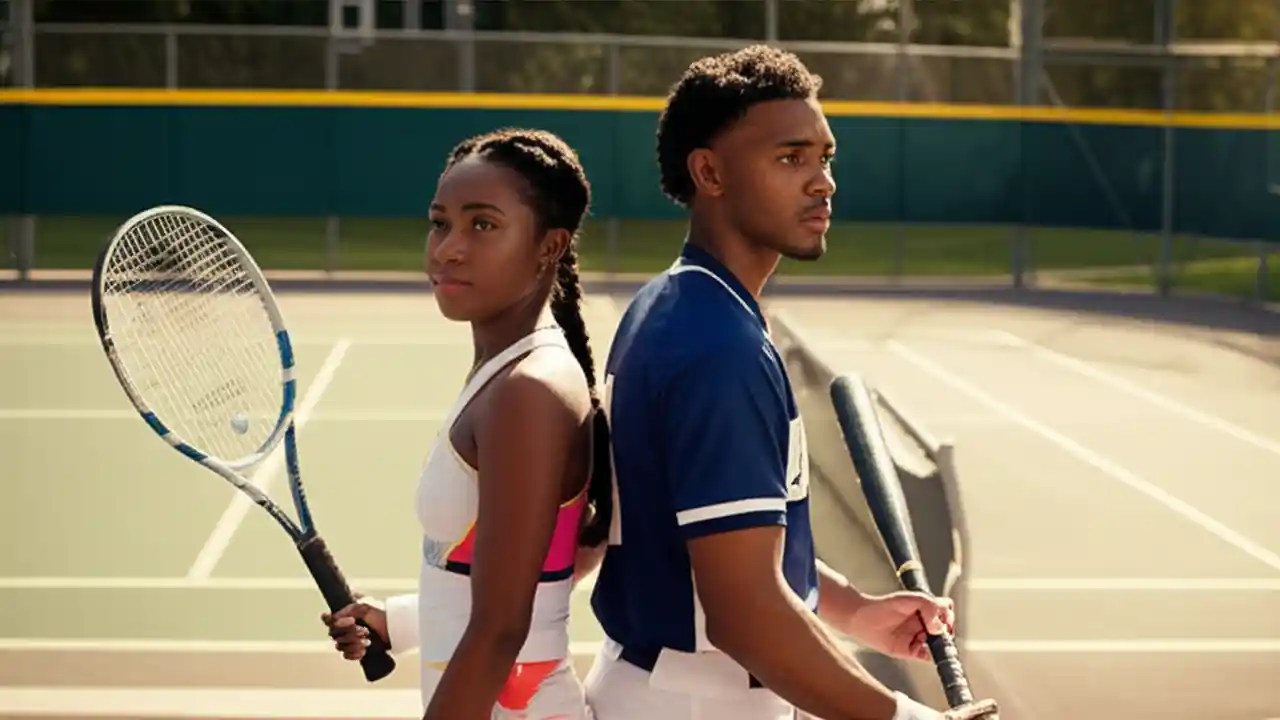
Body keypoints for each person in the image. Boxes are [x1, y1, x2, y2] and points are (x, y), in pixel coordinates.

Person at [581, 45, 998, 720]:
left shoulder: (675, 303)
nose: (822, 182)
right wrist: (908, 718)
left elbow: (734, 549)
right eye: (790, 158)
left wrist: (856, 612)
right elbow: (744, 615)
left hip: (672, 689)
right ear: (709, 172)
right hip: (703, 703)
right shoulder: (719, 347)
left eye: (824, 158)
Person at [320, 128, 612, 719]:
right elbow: (533, 574)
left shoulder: (528, 391)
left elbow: (502, 630)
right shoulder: (508, 373)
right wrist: (399, 621)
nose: (448, 248)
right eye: (440, 223)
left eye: (482, 224)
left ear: (549, 246)